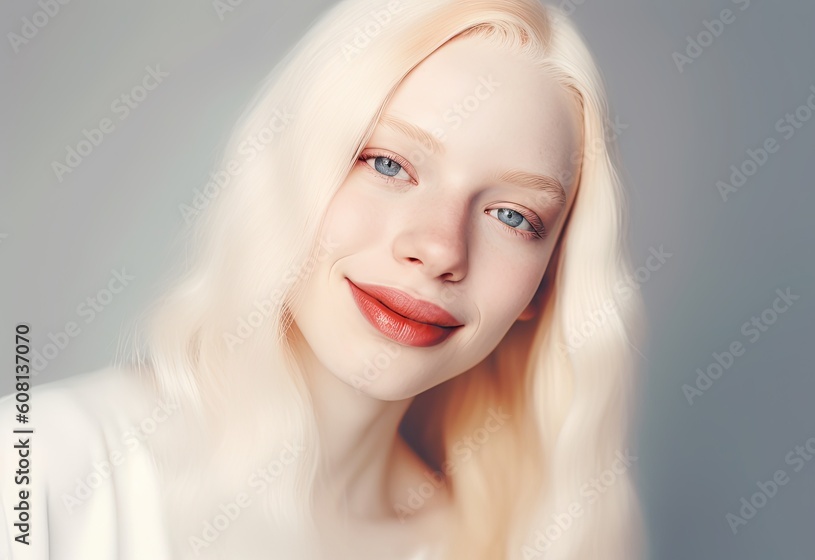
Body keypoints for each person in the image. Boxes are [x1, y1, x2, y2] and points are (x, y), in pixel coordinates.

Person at [0, 0, 645, 558]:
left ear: (547, 283)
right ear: (288, 170)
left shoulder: (508, 547)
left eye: (512, 215)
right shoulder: (36, 469)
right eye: (389, 164)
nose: (439, 247)